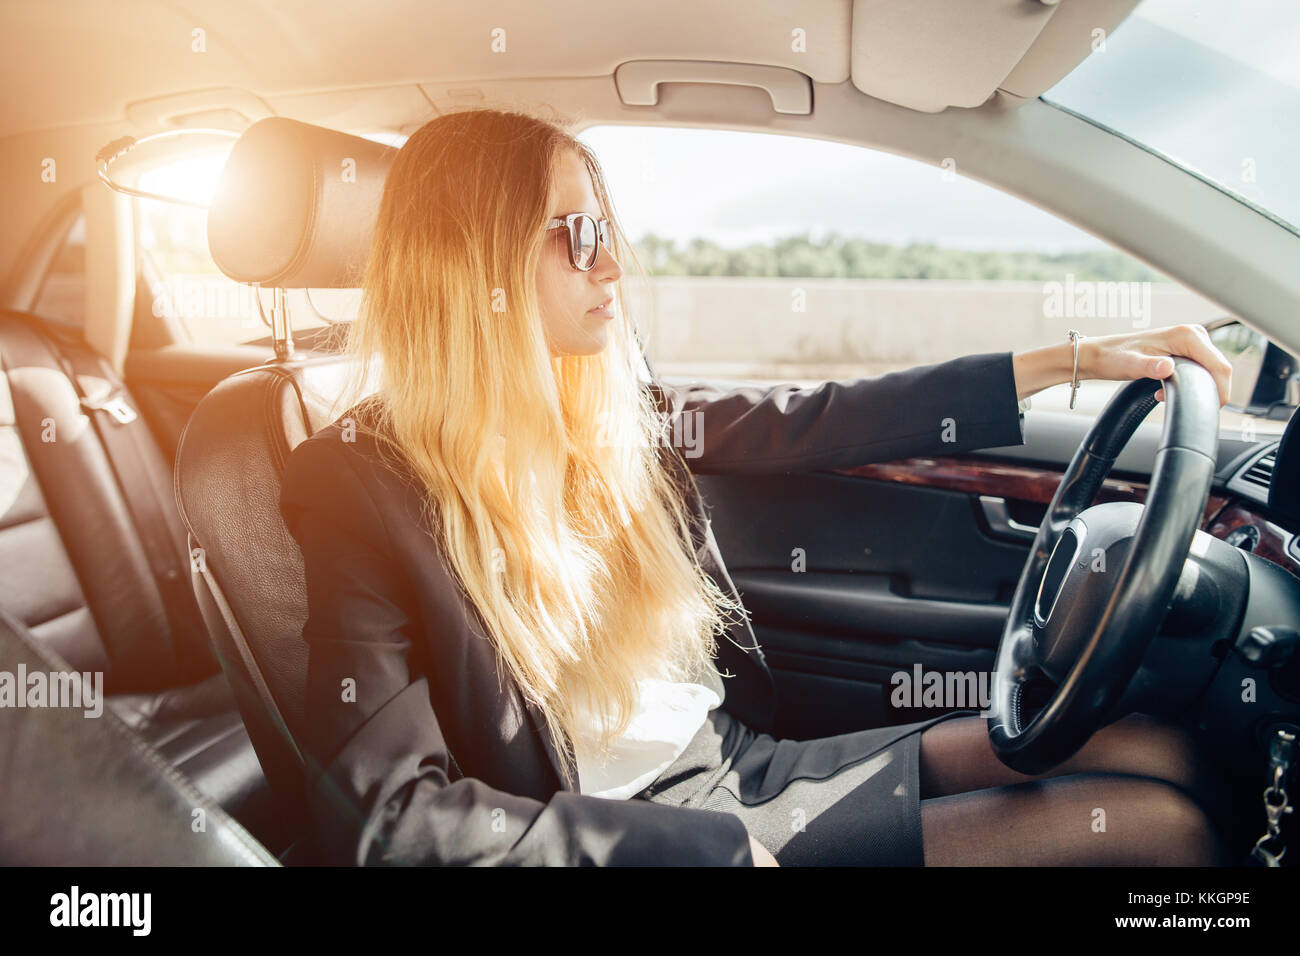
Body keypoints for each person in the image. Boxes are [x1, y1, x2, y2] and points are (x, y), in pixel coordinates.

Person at [278, 107, 1238, 867]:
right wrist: (702, 856)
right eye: (575, 235)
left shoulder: (612, 419)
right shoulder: (360, 486)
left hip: (738, 763)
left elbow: (821, 416)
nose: (611, 264)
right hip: (641, 827)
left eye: (607, 229)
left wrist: (1073, 359)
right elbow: (392, 820)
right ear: (471, 260)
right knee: (1165, 835)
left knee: (1161, 750)